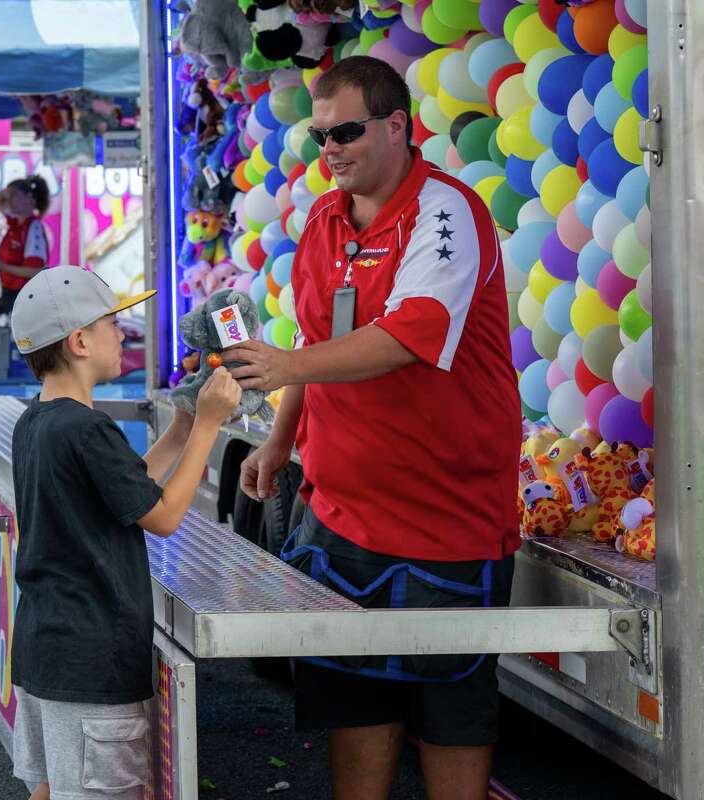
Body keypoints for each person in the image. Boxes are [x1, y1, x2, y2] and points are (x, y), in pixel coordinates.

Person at [229, 56, 520, 800]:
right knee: (352, 711)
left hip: (446, 525)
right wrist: (279, 439)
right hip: (339, 521)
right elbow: (313, 348)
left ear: (398, 126)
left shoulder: (447, 213)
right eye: (320, 135)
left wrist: (285, 368)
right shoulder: (324, 219)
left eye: (348, 131)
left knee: (451, 715)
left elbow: (406, 335)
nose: (331, 150)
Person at [7, 266, 241, 800]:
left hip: (45, 648)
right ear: (80, 340)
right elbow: (161, 516)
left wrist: (182, 425)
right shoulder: (89, 428)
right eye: (114, 323)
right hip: (93, 656)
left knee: (49, 789)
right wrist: (208, 426)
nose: (124, 334)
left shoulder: (40, 421)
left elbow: (127, 485)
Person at [0, 176, 50, 323]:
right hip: (9, 296)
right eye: (8, 197)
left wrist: (1, 266)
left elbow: (35, 271)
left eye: (14, 196)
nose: (9, 201)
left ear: (29, 198)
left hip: (24, 297)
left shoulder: (33, 228)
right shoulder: (15, 225)